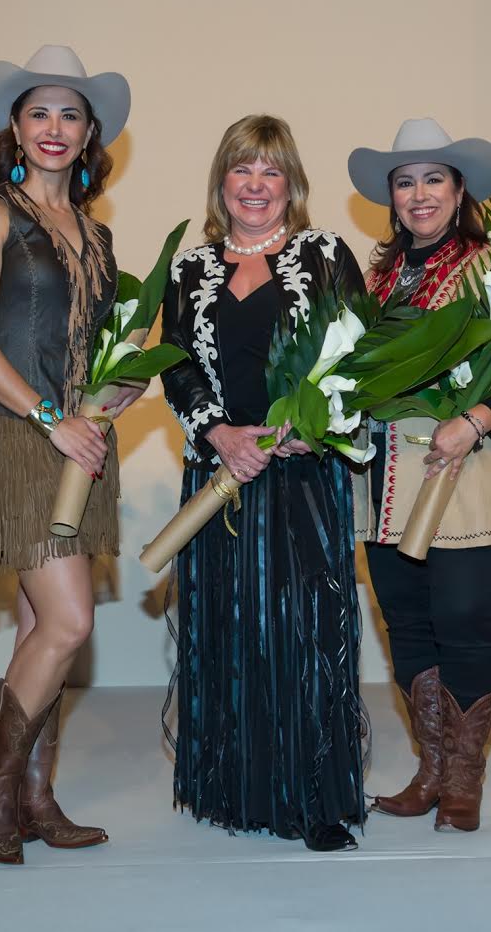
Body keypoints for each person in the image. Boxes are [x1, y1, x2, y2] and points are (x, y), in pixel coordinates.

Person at [0, 45, 140, 865]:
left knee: (40, 626)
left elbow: (93, 345)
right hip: (16, 433)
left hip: (79, 444)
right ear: (15, 129)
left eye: (70, 114)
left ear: (90, 132)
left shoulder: (96, 232)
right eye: (39, 114)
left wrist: (120, 388)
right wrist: (50, 417)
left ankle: (34, 796)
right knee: (69, 621)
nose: (54, 128)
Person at [161, 115, 367, 852]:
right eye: (242, 169)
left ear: (292, 184)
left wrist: (315, 425)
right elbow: (176, 366)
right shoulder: (190, 269)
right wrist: (219, 433)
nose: (255, 184)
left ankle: (315, 799)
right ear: (222, 181)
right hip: (221, 472)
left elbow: (359, 358)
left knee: (305, 630)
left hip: (301, 470)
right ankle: (234, 789)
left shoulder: (325, 254)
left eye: (270, 170)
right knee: (230, 630)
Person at [346, 119, 491, 833]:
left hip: (467, 465)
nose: (419, 193)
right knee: (405, 619)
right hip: (387, 474)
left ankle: (464, 778)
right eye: (405, 182)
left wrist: (475, 421)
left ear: (460, 191)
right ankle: (430, 769)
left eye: (434, 179)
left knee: (462, 616)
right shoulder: (374, 279)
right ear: (391, 197)